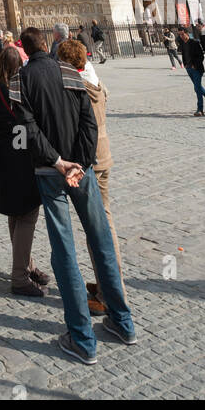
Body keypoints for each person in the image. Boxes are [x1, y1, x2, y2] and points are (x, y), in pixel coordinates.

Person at [18, 27, 135, 363]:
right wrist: (79, 164)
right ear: (47, 44)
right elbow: (89, 123)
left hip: (49, 172)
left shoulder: (21, 79)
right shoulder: (70, 72)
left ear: (24, 49)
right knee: (101, 240)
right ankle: (122, 322)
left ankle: (82, 339)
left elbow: (27, 131)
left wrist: (58, 163)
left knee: (64, 250)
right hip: (82, 172)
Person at [58, 38, 124, 316]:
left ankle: (110, 293)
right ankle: (105, 283)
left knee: (99, 230)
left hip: (89, 163)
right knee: (103, 223)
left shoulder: (78, 89)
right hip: (103, 157)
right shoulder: (95, 81)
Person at [0, 46, 48, 298]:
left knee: (14, 210)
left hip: (0, 155)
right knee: (27, 213)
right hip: (21, 156)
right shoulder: (22, 85)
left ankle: (26, 266)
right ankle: (20, 276)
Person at [177, 28, 205, 115]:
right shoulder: (182, 43)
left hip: (196, 69)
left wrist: (194, 65)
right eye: (179, 35)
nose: (181, 36)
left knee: (197, 89)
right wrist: (185, 64)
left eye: (182, 34)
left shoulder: (194, 42)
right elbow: (184, 55)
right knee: (198, 88)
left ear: (187, 33)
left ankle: (200, 109)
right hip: (188, 68)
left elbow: (201, 56)